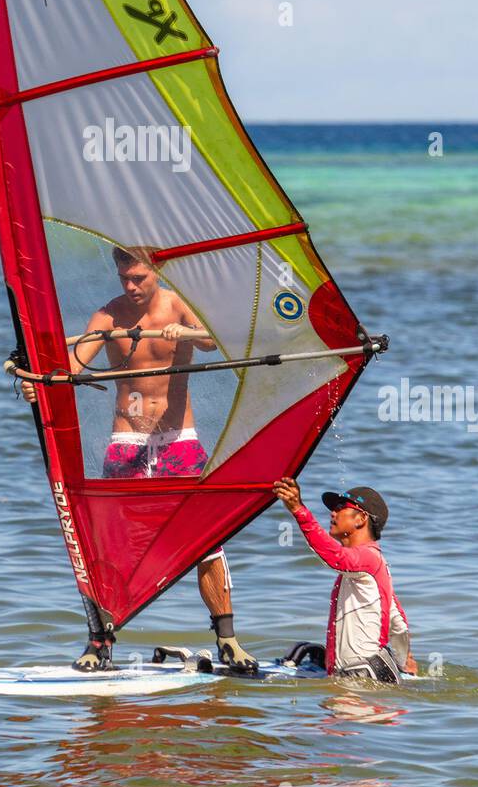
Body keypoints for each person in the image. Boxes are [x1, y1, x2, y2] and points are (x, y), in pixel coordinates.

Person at [21, 245, 257, 673]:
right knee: (110, 544)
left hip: (178, 440)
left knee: (206, 543)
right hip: (127, 441)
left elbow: (212, 340)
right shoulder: (108, 317)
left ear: (157, 272)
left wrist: (184, 333)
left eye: (140, 279)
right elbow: (72, 365)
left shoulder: (179, 304)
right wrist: (40, 383)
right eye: (125, 279)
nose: (131, 287)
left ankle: (227, 640)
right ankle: (100, 642)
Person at [273, 477, 416, 684]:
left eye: (341, 507)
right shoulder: (376, 566)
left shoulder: (367, 558)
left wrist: (299, 510)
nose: (333, 513)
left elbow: (335, 557)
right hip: (368, 677)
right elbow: (399, 623)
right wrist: (405, 663)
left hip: (362, 681)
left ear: (360, 519)